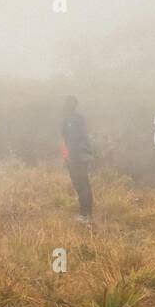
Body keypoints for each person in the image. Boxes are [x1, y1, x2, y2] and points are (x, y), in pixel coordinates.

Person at [61, 95, 94, 223]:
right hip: (83, 155)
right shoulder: (78, 118)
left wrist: (70, 157)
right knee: (85, 184)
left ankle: (84, 215)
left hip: (77, 157)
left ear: (68, 105)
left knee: (80, 185)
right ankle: (88, 213)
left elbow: (72, 140)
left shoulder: (71, 120)